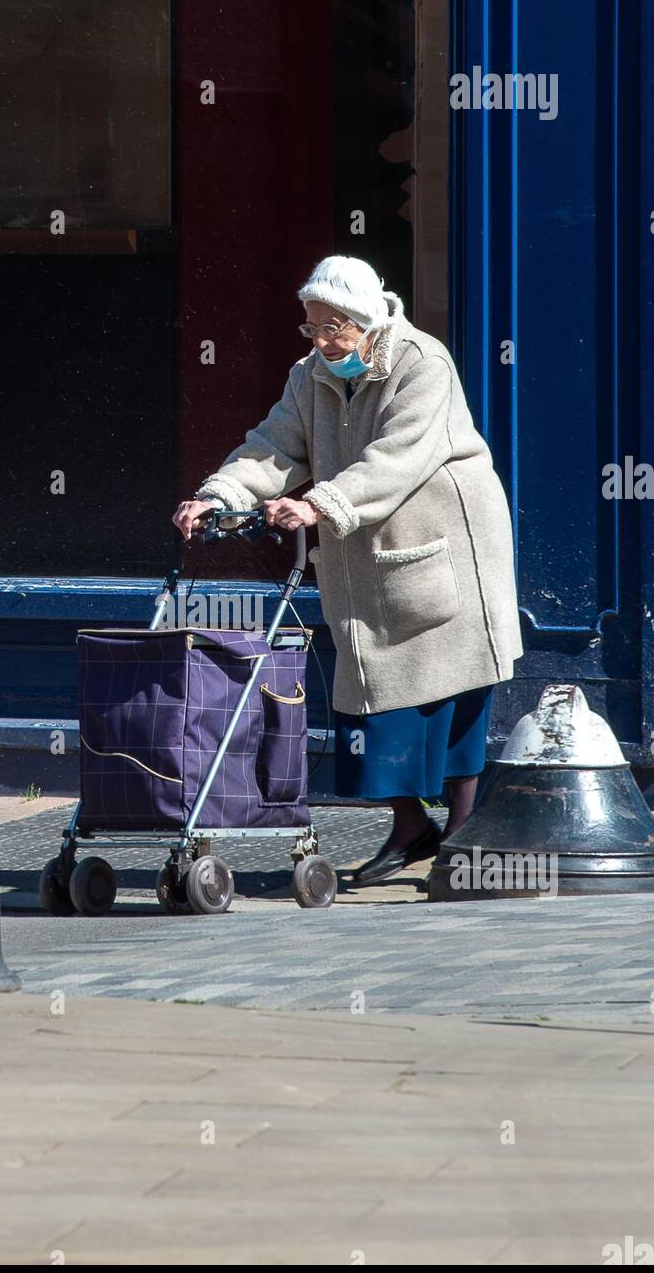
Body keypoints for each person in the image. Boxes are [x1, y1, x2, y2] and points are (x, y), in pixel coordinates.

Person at [172, 254, 522, 885]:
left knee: (453, 687)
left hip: (445, 542)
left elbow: (397, 458)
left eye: (333, 326)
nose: (322, 340)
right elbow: (273, 448)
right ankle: (413, 826)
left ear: (366, 320)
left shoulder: (422, 362)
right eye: (311, 327)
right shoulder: (310, 376)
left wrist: (316, 503)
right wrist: (220, 494)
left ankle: (464, 841)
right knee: (369, 694)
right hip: (360, 544)